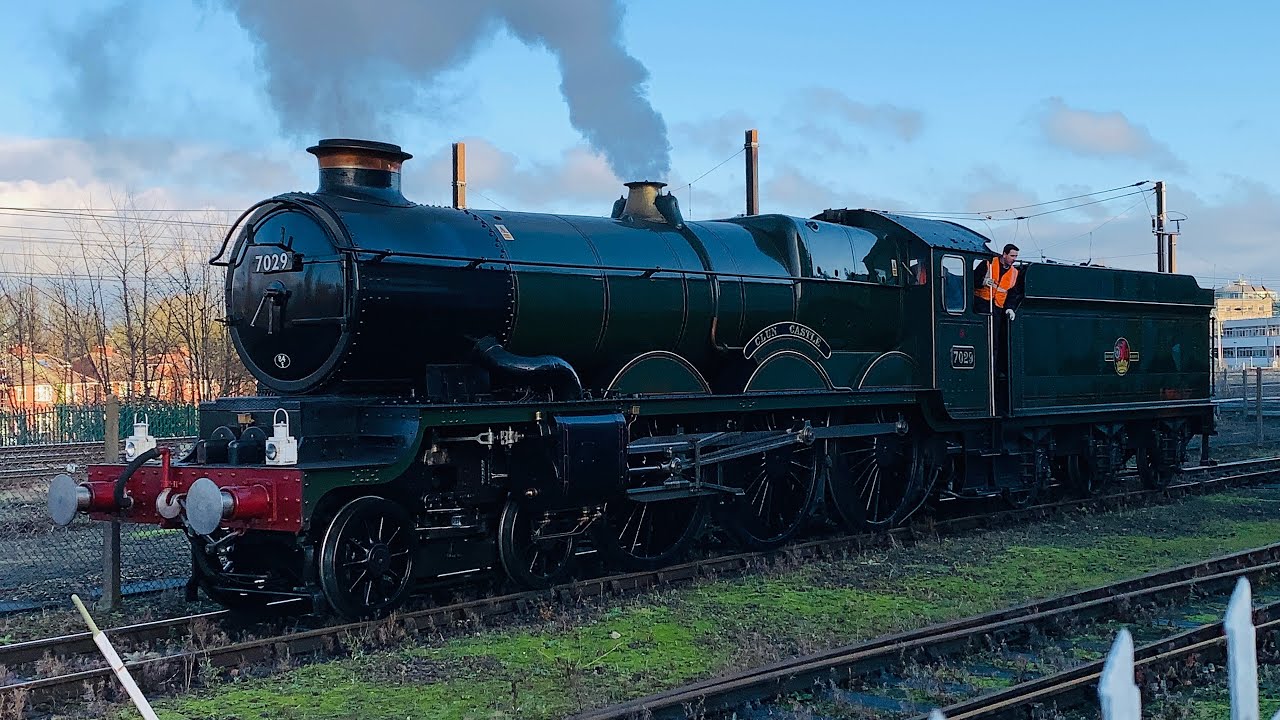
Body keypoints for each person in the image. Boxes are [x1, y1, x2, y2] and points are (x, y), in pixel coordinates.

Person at [973, 243, 1024, 378]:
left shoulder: (1014, 273)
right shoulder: (988, 264)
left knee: (995, 341)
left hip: (998, 308)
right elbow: (973, 279)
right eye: (1012, 255)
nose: (1014, 259)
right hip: (982, 304)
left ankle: (994, 371)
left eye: (1016, 256)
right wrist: (983, 282)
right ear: (1004, 254)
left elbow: (1012, 293)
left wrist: (1010, 308)